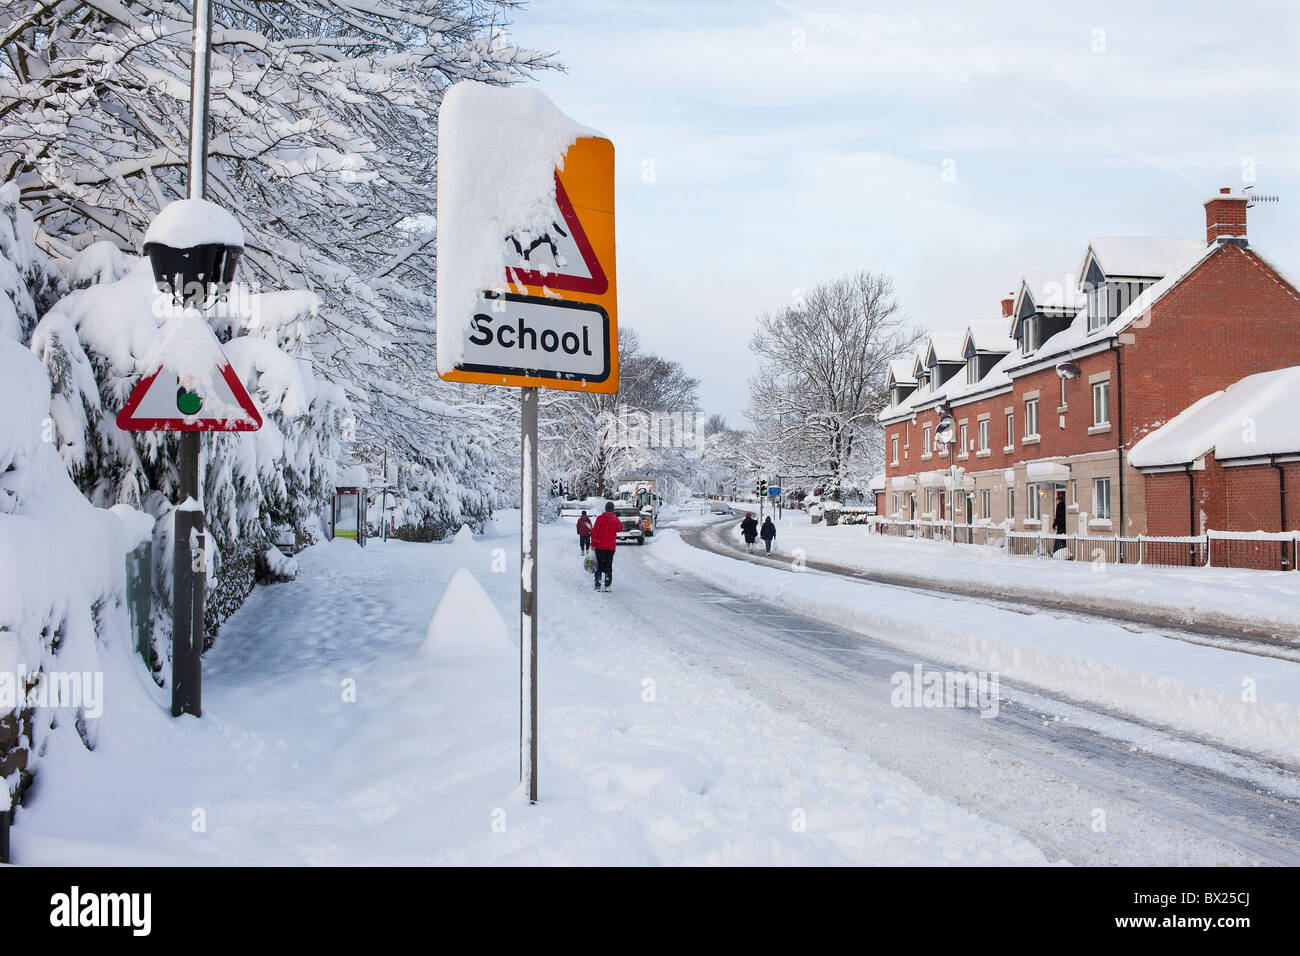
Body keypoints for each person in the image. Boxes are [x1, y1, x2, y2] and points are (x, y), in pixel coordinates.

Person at [590, 501, 621, 591]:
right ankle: (607, 586)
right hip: (610, 547)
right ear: (613, 509)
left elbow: (595, 532)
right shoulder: (615, 519)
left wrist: (593, 544)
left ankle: (598, 585)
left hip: (600, 547)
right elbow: (620, 528)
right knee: (608, 565)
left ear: (605, 509)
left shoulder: (600, 518)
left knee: (598, 566)